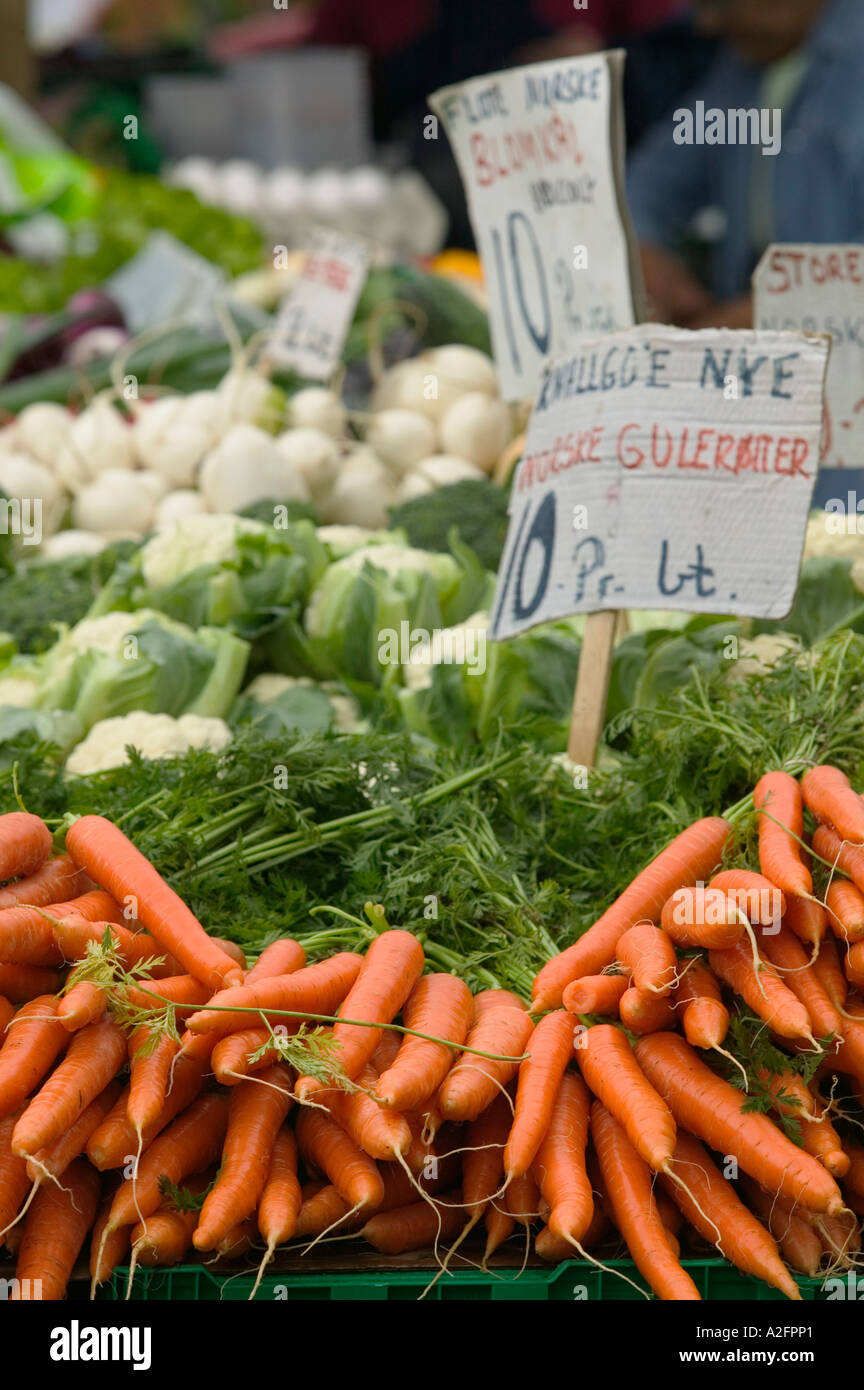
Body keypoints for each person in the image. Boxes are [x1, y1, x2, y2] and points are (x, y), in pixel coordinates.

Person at [627, 0, 864, 329]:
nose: (706, 26)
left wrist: (775, 314)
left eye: (720, 6)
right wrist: (642, 253)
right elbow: (647, 182)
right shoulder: (738, 77)